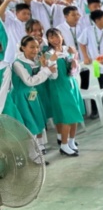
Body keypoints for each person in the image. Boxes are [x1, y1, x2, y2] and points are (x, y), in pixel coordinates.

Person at [10, 35, 57, 157]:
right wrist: (46, 70)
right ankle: (33, 155)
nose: (35, 50)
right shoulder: (17, 64)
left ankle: (38, 151)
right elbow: (29, 81)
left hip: (33, 96)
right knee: (29, 125)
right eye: (31, 47)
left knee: (37, 122)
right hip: (22, 98)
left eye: (37, 47)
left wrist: (44, 65)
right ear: (23, 48)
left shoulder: (36, 61)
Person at [44, 28, 83, 156]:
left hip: (71, 85)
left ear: (62, 36)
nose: (55, 40)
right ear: (48, 40)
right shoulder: (48, 54)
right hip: (59, 87)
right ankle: (64, 145)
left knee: (75, 115)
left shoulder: (67, 50)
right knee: (66, 116)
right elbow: (52, 76)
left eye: (57, 36)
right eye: (51, 37)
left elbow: (75, 70)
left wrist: (74, 56)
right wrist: (53, 60)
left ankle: (71, 141)